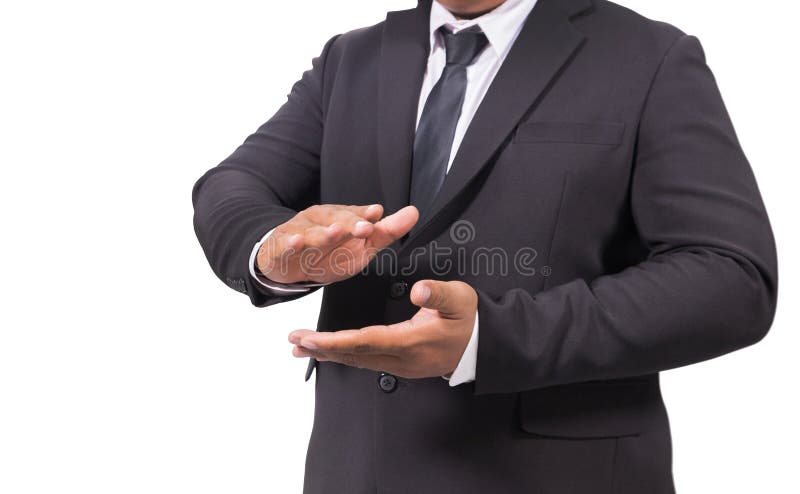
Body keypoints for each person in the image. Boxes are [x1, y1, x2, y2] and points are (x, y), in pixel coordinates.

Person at [192, 0, 777, 492]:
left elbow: (730, 277)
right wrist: (274, 249)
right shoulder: (352, 58)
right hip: (356, 471)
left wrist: (491, 339)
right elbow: (232, 187)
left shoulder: (651, 58)